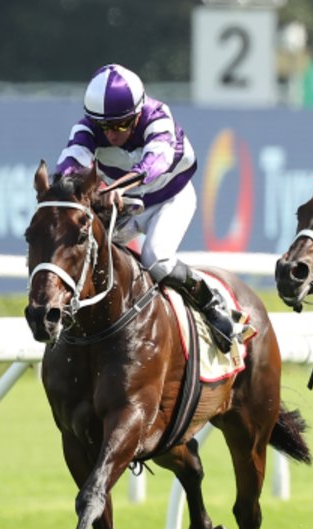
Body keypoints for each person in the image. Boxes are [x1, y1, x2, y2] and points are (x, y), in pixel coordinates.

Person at [55, 63, 238, 351]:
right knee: (90, 254)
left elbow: (155, 163)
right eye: (104, 127)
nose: (112, 135)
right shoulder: (85, 128)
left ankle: (212, 304)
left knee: (156, 259)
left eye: (121, 125)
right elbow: (70, 162)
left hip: (170, 197)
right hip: (127, 204)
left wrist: (113, 189)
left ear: (138, 113)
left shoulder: (158, 116)